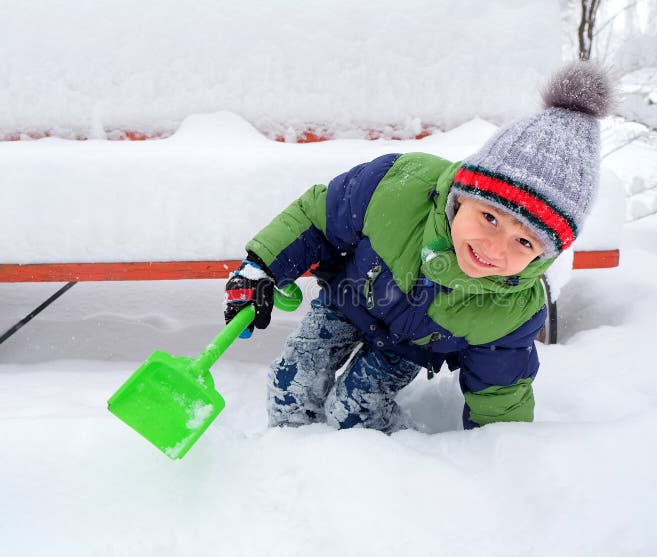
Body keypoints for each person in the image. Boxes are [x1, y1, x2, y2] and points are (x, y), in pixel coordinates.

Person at [224, 61, 612, 432]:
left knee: (356, 409)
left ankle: (363, 470)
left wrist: (500, 454)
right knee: (293, 382)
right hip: (346, 303)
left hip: (407, 348)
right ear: (461, 196)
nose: (493, 248)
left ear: (543, 255)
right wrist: (262, 268)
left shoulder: (510, 310)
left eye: (524, 240)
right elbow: (318, 217)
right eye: (489, 218)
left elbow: (500, 391)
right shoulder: (398, 186)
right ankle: (289, 456)